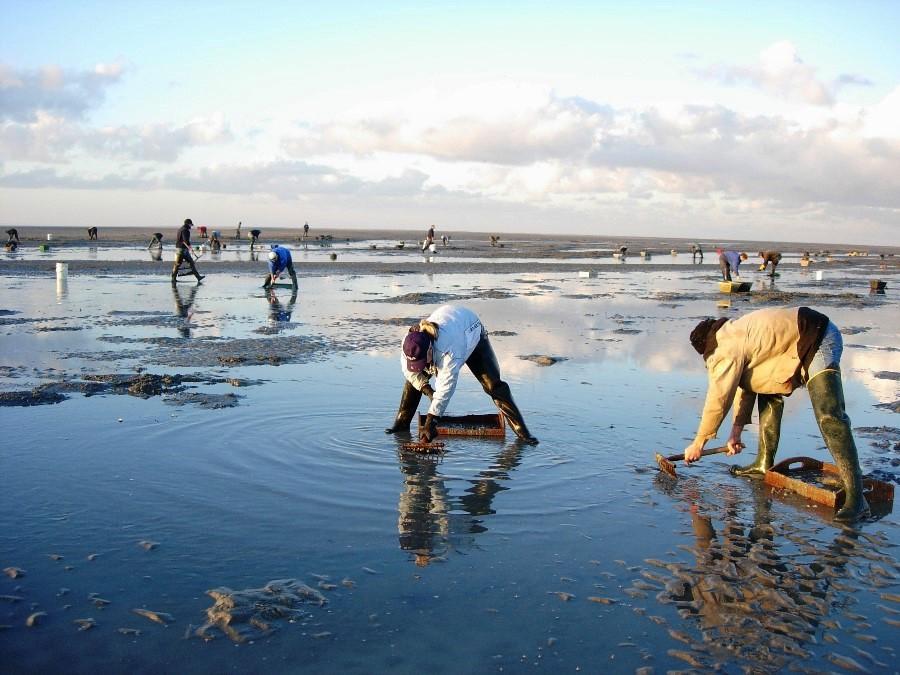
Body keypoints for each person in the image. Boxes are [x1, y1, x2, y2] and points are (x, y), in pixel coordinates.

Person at [683, 307, 870, 522]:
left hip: (817, 335)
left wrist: (699, 443)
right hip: (793, 343)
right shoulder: (735, 335)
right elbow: (746, 387)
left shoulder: (724, 346)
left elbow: (719, 397)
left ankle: (857, 499)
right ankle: (763, 463)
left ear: (706, 348)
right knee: (766, 388)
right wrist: (735, 434)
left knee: (829, 416)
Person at [385, 304, 538, 444]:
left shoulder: (449, 352)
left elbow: (445, 389)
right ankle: (401, 425)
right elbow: (409, 372)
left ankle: (523, 433)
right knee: (414, 378)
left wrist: (431, 421)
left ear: (430, 349)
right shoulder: (410, 342)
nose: (422, 365)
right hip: (452, 322)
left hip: (471, 332)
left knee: (493, 386)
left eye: (423, 361)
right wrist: (427, 389)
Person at [171, 218, 204, 284]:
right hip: (183, 250)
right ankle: (173, 279)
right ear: (188, 224)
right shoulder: (185, 230)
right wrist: (190, 248)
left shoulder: (180, 229)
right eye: (190, 225)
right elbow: (185, 241)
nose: (191, 226)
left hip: (179, 249)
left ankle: (174, 279)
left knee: (179, 264)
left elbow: (182, 240)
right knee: (187, 263)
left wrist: (189, 248)